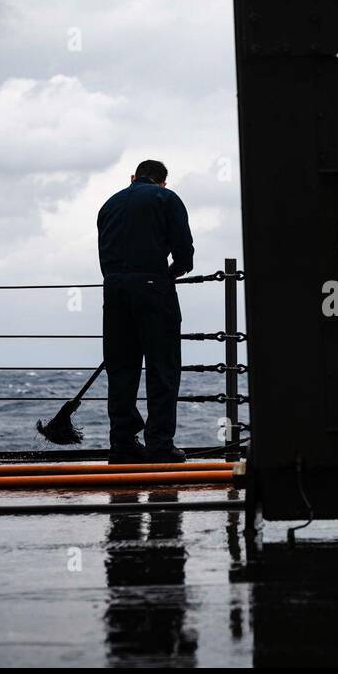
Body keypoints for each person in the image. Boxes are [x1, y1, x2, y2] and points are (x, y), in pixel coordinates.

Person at [97, 160, 194, 464]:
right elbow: (184, 253)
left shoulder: (109, 204)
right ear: (163, 181)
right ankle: (160, 444)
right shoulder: (167, 199)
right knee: (162, 368)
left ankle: (123, 444)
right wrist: (172, 272)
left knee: (122, 369)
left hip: (114, 290)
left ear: (133, 178)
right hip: (154, 288)